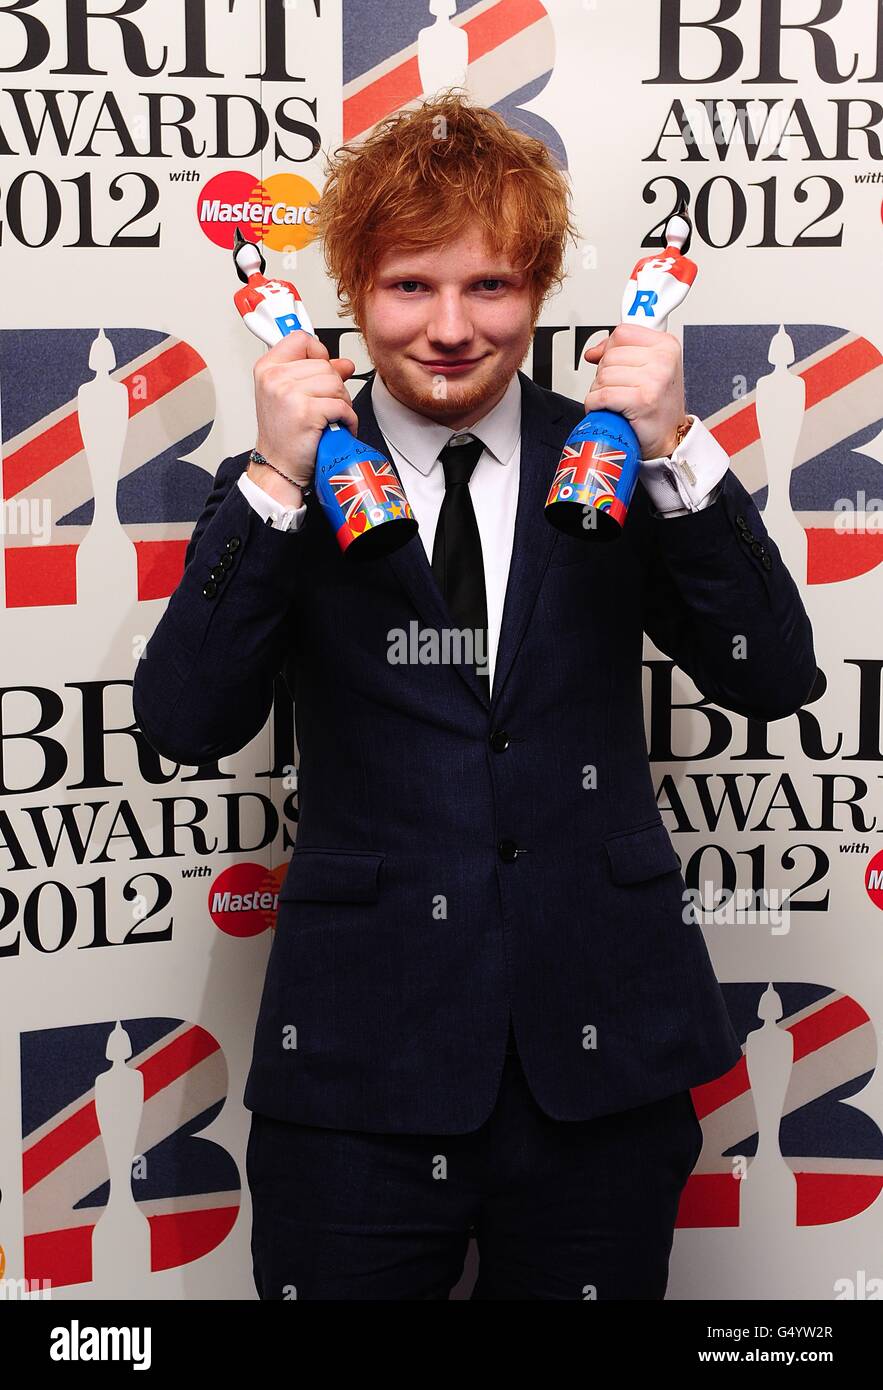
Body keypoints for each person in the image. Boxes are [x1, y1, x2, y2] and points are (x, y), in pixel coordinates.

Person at [133, 91, 818, 1300]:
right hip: (356, 1065)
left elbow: (773, 679)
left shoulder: (609, 452)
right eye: (409, 287)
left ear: (540, 291)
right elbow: (184, 723)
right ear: (353, 289)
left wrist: (678, 452)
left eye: (489, 287)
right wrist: (271, 481)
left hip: (599, 1066)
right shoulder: (292, 472)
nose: (450, 329)